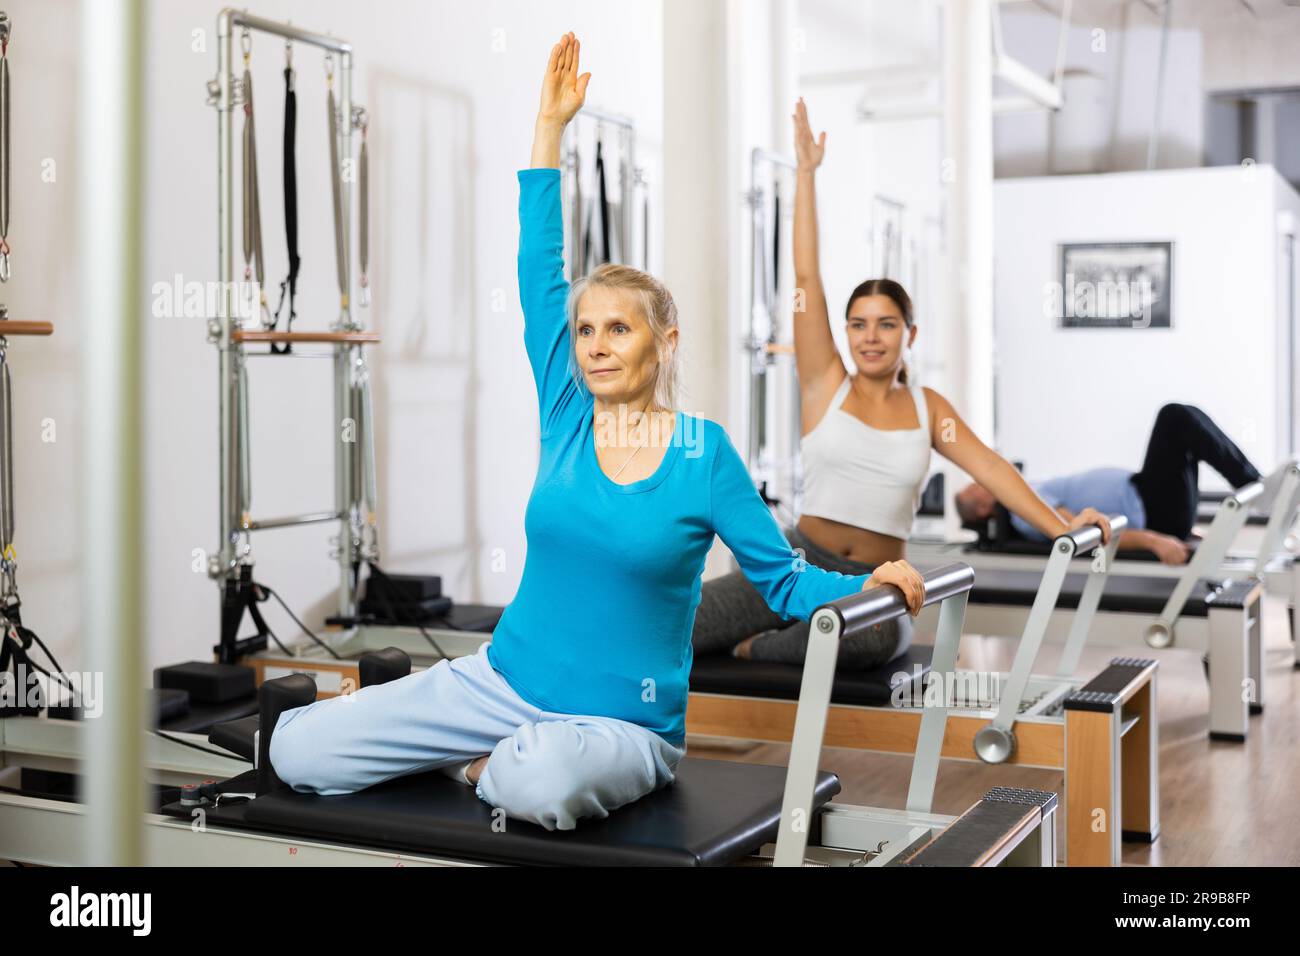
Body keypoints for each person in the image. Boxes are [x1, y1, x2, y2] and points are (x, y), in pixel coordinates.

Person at [267, 34, 925, 833]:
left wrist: (872, 587)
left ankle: (493, 764)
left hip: (625, 727)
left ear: (665, 341)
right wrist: (549, 132)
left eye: (619, 329)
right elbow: (538, 274)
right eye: (586, 331)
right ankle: (482, 756)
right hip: (500, 683)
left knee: (542, 779)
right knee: (298, 752)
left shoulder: (702, 454)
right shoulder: (567, 414)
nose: (597, 345)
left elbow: (783, 583)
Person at [692, 98, 1112, 670]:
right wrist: (807, 175)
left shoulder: (926, 409)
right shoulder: (823, 384)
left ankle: (760, 648)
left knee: (868, 639)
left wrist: (1063, 525)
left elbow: (990, 467)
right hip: (794, 562)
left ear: (909, 334)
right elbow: (806, 276)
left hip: (875, 579)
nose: (871, 337)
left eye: (886, 324)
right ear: (844, 331)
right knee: (681, 625)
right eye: (858, 325)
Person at [956, 403, 1264, 565]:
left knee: (1185, 419)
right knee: (1174, 417)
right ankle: (1253, 483)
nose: (980, 479)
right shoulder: (1021, 511)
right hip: (1151, 509)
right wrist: (1153, 540)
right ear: (984, 508)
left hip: (1150, 498)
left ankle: (1253, 483)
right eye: (976, 486)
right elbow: (1078, 530)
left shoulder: (1024, 491)